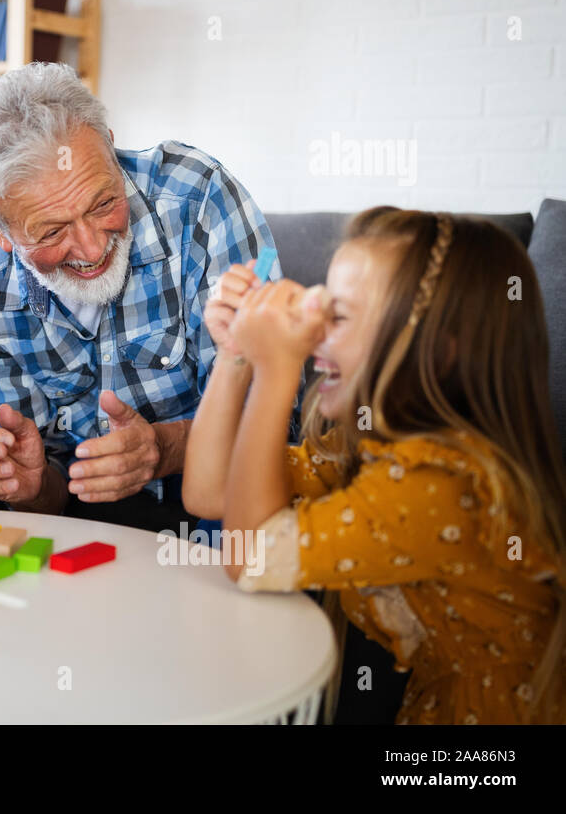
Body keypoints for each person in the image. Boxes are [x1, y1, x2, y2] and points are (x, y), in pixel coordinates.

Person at [186, 207, 566, 723]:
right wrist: (235, 354)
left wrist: (278, 367)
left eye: (337, 317)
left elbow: (250, 558)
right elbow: (210, 493)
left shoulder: (441, 481)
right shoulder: (371, 447)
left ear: (438, 351)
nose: (314, 332)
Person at [0, 62, 280, 534]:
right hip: (74, 485)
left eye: (103, 204)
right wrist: (30, 488)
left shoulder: (198, 197)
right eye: (51, 231)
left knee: (239, 501)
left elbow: (274, 415)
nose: (93, 249)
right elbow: (48, 495)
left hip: (203, 466)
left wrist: (162, 449)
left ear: (110, 149)